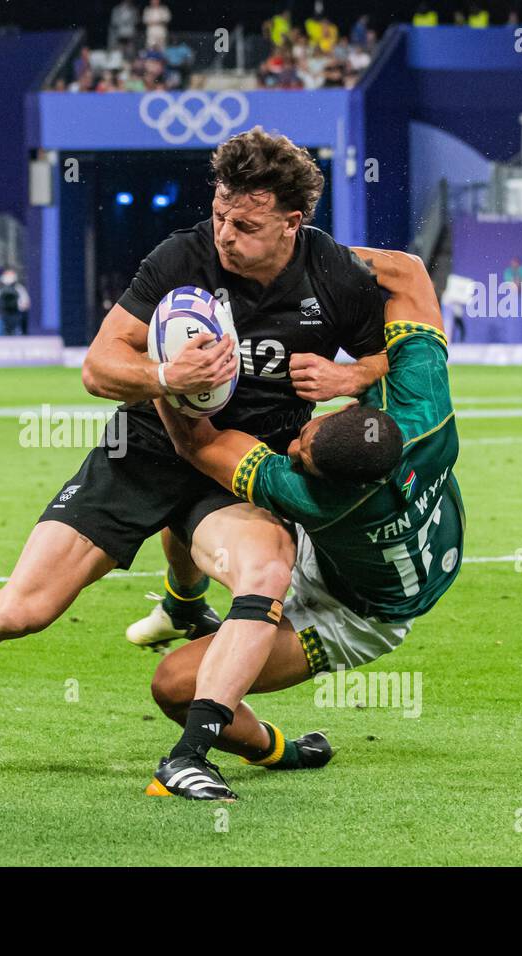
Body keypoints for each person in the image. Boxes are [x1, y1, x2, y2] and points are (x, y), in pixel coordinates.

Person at [0, 127, 389, 770]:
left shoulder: (337, 276)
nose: (225, 235)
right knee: (23, 610)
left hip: (238, 470)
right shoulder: (181, 256)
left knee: (265, 573)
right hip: (139, 450)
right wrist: (168, 378)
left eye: (246, 225)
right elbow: (97, 368)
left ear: (293, 221)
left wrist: (351, 378)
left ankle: (220, 746)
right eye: (220, 214)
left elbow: (388, 360)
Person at [143, 249, 464, 799]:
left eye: (300, 454)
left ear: (323, 481)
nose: (291, 444)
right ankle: (183, 605)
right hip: (391, 554)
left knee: (173, 687)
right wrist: (296, 258)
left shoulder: (318, 498)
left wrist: (164, 371)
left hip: (360, 616)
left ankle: (280, 749)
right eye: (308, 435)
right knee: (190, 510)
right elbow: (409, 271)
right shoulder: (426, 410)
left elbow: (197, 443)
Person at [0, 268, 30, 336]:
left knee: (17, 334)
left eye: (11, 275)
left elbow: (26, 303)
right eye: (8, 274)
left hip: (15, 315)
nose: (9, 277)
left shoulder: (19, 288)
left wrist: (18, 306)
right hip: (2, 315)